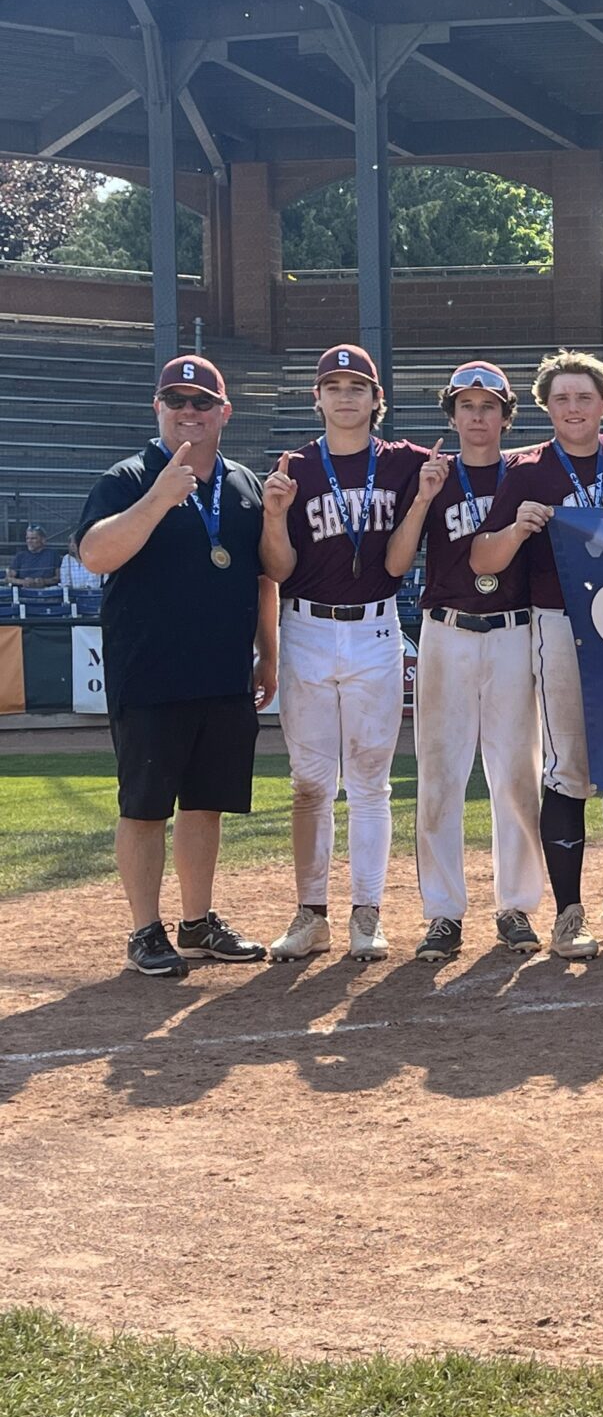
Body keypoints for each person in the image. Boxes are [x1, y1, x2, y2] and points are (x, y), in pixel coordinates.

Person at [77, 355, 275, 976]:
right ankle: (144, 930)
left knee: (206, 805)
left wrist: (268, 652)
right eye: (177, 401)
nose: (189, 412)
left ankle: (197, 922)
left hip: (223, 674)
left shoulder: (243, 484)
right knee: (144, 808)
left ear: (224, 412)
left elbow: (263, 577)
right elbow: (94, 555)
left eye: (202, 402)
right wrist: (159, 499)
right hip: (151, 675)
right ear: (157, 408)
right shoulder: (128, 477)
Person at [471, 349, 603, 960]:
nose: (574, 408)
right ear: (545, 407)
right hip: (561, 623)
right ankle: (569, 914)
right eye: (561, 398)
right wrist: (517, 528)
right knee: (569, 767)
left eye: (585, 397)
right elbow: (482, 560)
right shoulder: (526, 470)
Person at [258, 345, 433, 963]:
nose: (345, 396)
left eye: (357, 386)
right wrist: (274, 516)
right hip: (305, 628)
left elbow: (487, 454)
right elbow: (277, 569)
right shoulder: (295, 467)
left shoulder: (406, 462)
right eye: (333, 386)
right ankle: (311, 915)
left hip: (375, 630)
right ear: (317, 398)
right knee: (309, 783)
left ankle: (367, 913)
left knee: (369, 784)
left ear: (377, 398)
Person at [381, 361, 546, 964]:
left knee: (517, 776)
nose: (478, 417)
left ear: (506, 416)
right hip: (447, 631)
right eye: (467, 406)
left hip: (513, 631)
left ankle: (516, 906)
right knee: (440, 776)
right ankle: (443, 913)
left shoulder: (526, 472)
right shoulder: (434, 474)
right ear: (451, 415)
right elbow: (396, 563)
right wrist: (422, 500)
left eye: (489, 406)